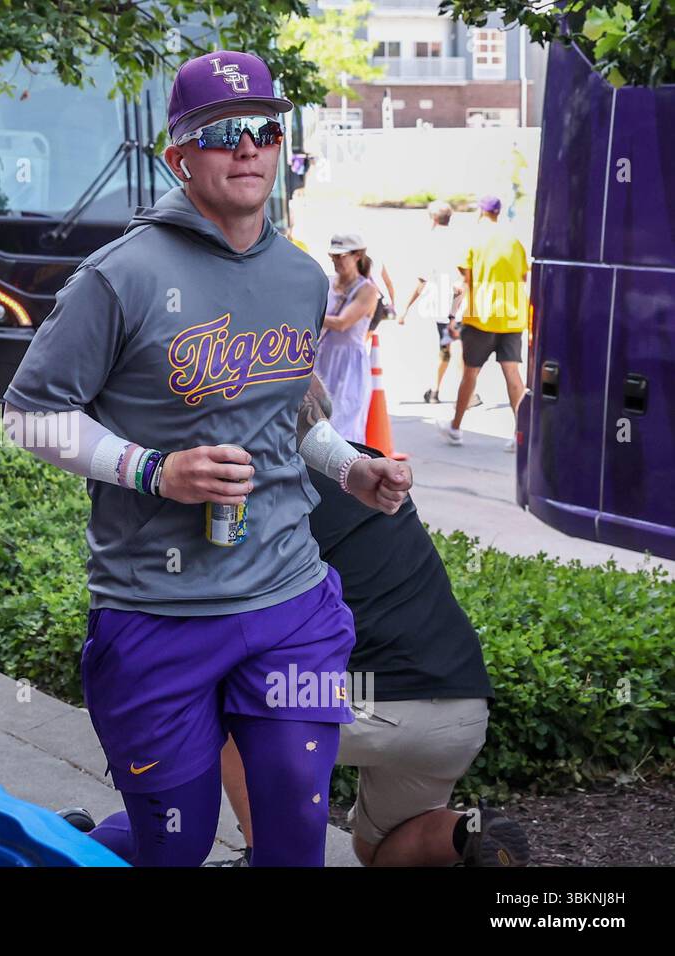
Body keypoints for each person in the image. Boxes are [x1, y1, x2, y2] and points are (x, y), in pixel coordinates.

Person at [6, 51, 412, 867]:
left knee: (295, 839)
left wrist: (350, 468)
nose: (249, 148)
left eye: (265, 129)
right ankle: (51, 849)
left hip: (289, 604)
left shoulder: (302, 277)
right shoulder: (118, 277)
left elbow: (284, 411)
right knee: (175, 845)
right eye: (223, 134)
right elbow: (28, 418)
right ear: (179, 156)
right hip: (156, 614)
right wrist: (156, 470)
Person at [212, 385, 529, 867]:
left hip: (369, 694)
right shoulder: (369, 468)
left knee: (226, 701)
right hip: (462, 707)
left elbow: (234, 616)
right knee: (378, 851)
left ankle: (264, 857)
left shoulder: (265, 490)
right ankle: (471, 834)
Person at [438, 195, 528, 450]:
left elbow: (465, 281)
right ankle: (520, 434)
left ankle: (455, 428)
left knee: (470, 373)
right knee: (513, 374)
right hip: (512, 317)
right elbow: (522, 277)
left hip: (482, 317)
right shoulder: (514, 241)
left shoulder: (474, 239)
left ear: (481, 212)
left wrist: (454, 316)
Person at [398, 201, 467, 405]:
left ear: (433, 219)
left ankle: (437, 391)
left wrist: (405, 309)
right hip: (461, 303)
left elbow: (421, 282)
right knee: (459, 345)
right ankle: (463, 392)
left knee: (447, 347)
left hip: (443, 306)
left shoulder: (432, 243)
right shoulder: (460, 239)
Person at [314, 233, 380, 443]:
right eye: (333, 256)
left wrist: (307, 313)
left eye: (341, 256)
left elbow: (343, 322)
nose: (336, 261)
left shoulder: (367, 290)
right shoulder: (327, 283)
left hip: (349, 363)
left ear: (357, 255)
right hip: (322, 357)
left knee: (344, 424)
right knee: (315, 420)